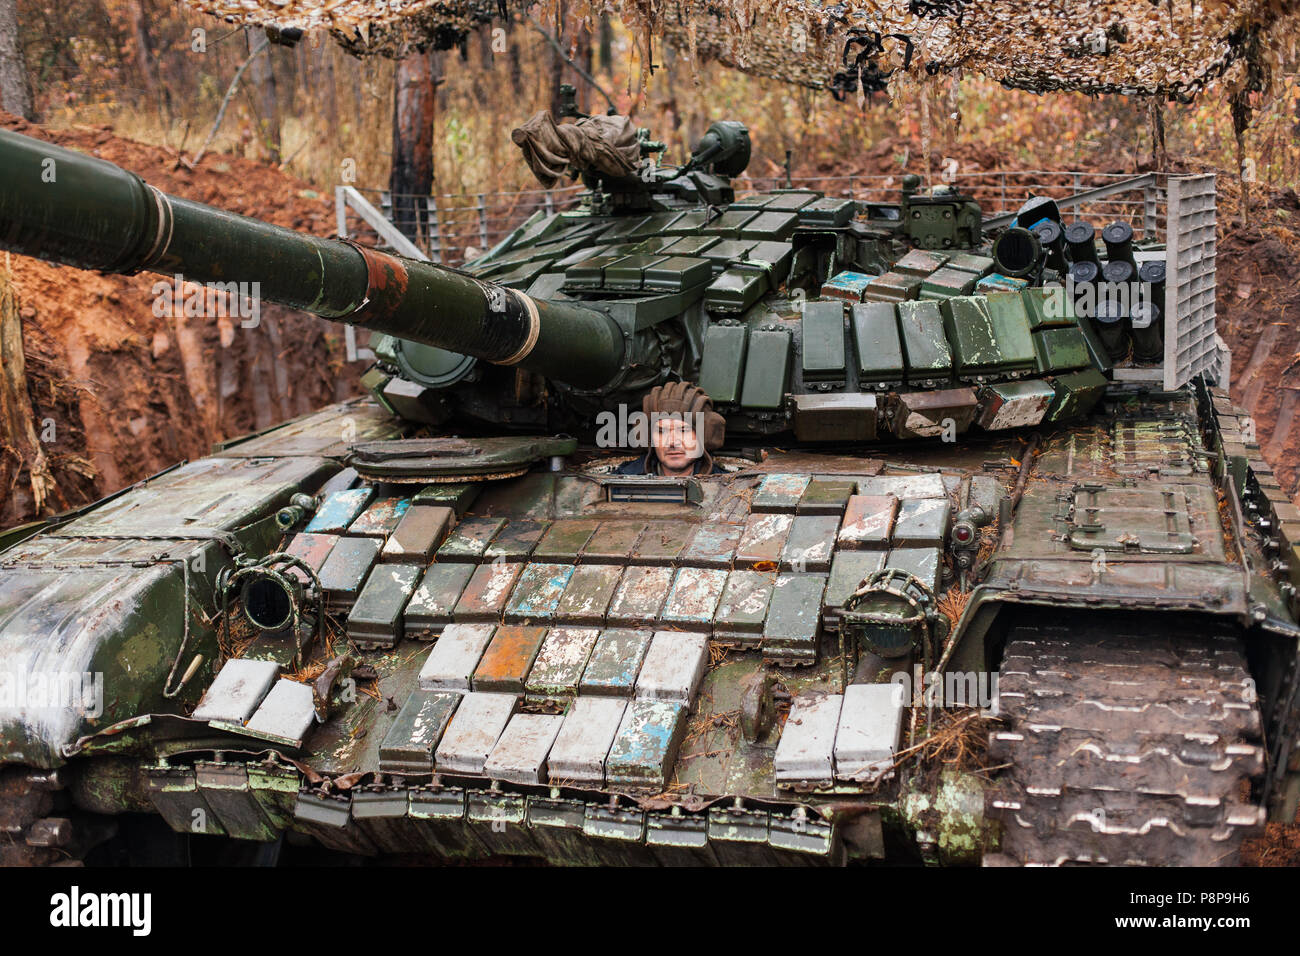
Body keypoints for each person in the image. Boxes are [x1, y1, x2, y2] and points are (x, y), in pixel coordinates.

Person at [616, 381, 726, 477]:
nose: (672, 442)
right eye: (661, 431)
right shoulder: (619, 480)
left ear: (704, 436)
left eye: (683, 430)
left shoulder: (728, 487)